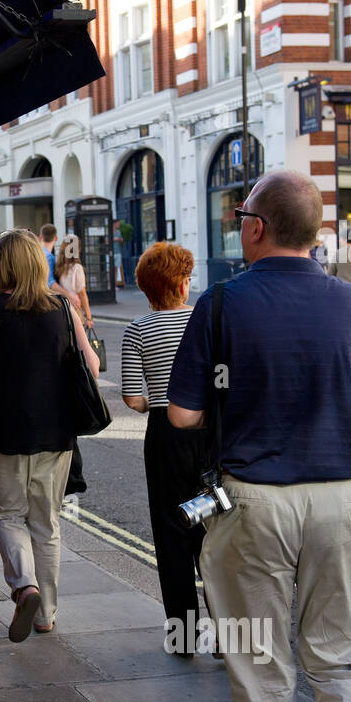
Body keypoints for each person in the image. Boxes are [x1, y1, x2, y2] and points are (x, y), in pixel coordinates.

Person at [168, 170, 351, 702]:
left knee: (261, 665)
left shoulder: (221, 305)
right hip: (343, 497)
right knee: (339, 662)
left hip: (252, 502)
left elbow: (185, 414)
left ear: (255, 226)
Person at [0, 228, 99, 641]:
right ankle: (47, 615)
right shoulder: (63, 307)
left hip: (6, 433)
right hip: (57, 434)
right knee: (47, 522)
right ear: (39, 263)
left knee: (6, 514)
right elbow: (92, 366)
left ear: (2, 264)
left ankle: (25, 587)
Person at [122, 242, 208, 654]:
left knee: (172, 534)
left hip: (164, 433)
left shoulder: (137, 330)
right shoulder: (205, 322)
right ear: (181, 284)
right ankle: (229, 634)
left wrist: (154, 397)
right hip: (208, 433)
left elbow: (132, 399)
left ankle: (184, 637)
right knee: (218, 532)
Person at [54, 237, 94, 333]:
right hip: (75, 310)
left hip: (61, 309)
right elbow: (82, 293)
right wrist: (89, 317)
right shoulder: (77, 268)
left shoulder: (59, 267)